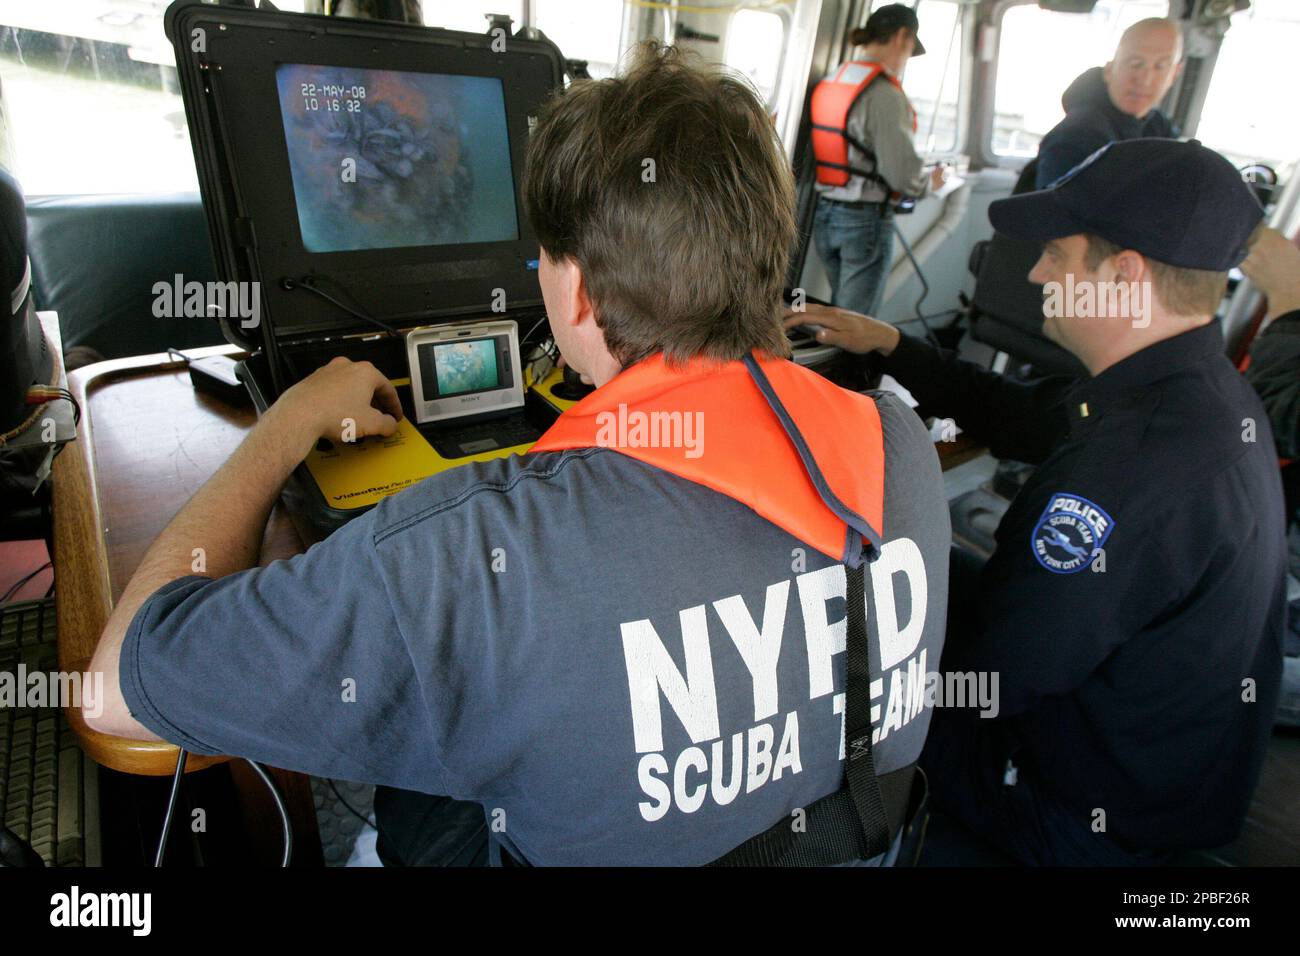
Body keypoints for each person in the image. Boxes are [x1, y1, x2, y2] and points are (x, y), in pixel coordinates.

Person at [81, 43, 952, 867]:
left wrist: (291, 416)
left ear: (573, 290)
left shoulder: (473, 556)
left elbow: (116, 690)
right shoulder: (899, 443)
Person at [786, 138, 1286, 864]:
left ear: (1123, 274)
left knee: (817, 637)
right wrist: (890, 342)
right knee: (918, 562)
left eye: (1056, 253)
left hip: (1068, 814)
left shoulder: (1130, 470)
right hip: (1156, 769)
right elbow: (1024, 416)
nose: (1035, 271)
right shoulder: (1188, 392)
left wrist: (846, 695)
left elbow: (991, 682)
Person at [810, 3, 946, 319]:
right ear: (901, 36)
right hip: (864, 221)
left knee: (838, 314)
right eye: (911, 47)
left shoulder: (837, 78)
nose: (906, 59)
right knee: (855, 324)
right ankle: (847, 370)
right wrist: (930, 183)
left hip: (825, 213)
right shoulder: (883, 93)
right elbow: (901, 174)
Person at [1034, 17, 1181, 189]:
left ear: (1174, 74)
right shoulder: (1077, 136)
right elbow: (1054, 211)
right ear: (1109, 70)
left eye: (1160, 67)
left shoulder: (1158, 127)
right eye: (1135, 63)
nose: (1145, 80)